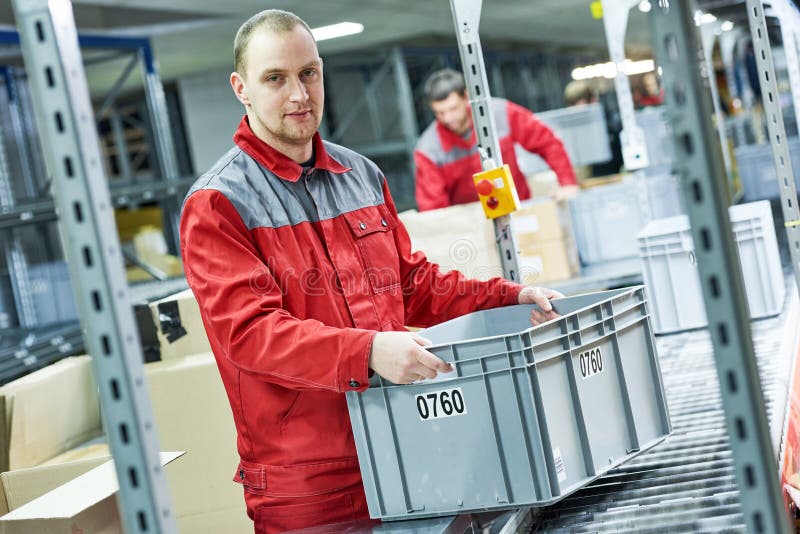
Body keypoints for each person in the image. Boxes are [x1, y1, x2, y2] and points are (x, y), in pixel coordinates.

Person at [180, 9, 564, 533]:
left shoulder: (360, 174)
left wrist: (508, 297)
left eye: (308, 73)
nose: (299, 94)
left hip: (407, 447)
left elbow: (413, 285)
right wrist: (368, 352)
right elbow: (250, 335)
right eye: (275, 79)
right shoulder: (218, 203)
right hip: (313, 486)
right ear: (241, 88)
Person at [414, 68, 579, 211]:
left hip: (519, 210)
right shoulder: (428, 150)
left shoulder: (500, 114)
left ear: (466, 97)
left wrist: (568, 183)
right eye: (440, 113)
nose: (448, 118)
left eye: (453, 109)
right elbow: (433, 208)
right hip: (474, 227)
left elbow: (547, 142)